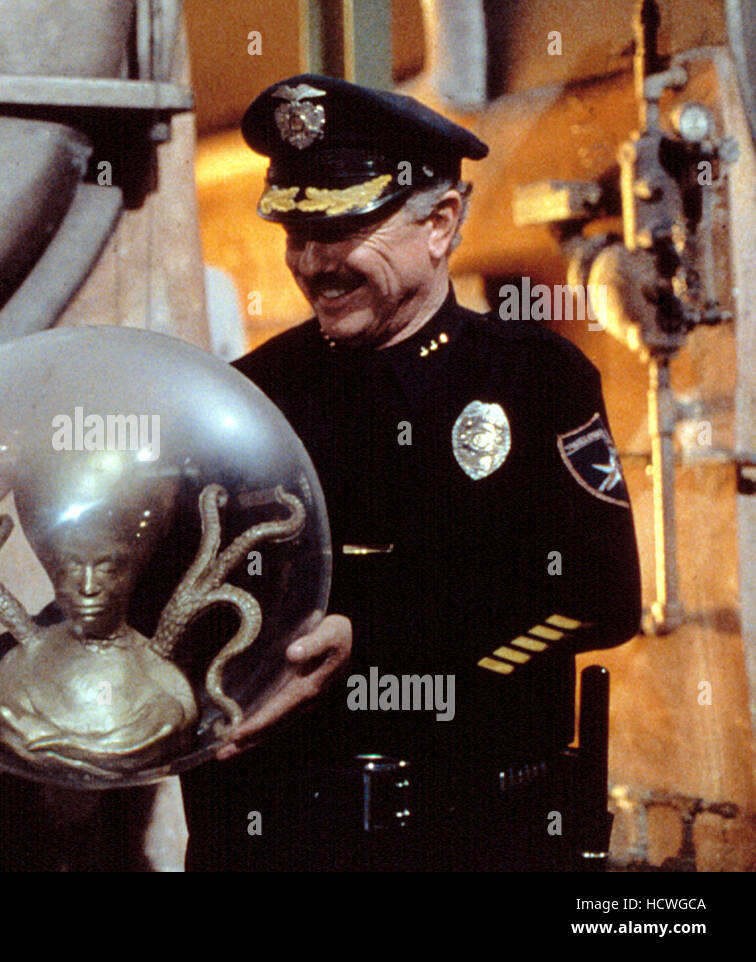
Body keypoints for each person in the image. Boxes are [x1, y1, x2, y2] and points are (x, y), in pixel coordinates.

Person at [178, 74, 642, 870]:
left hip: (476, 837)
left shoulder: (532, 378)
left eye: (343, 230)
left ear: (440, 223)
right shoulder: (247, 399)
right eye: (296, 232)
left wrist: (378, 643)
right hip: (283, 841)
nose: (314, 263)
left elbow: (601, 598)